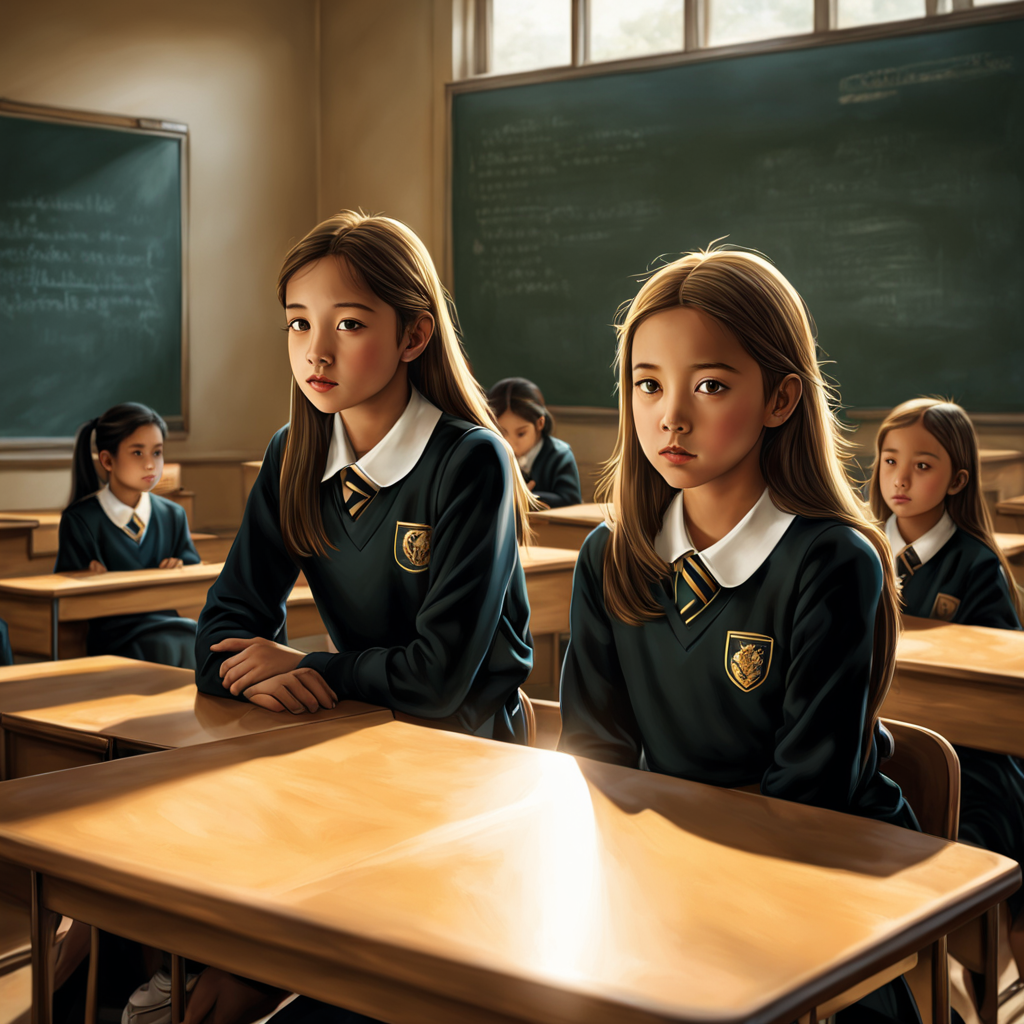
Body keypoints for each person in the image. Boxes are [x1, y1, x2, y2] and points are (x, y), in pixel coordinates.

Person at [180, 211, 535, 1024]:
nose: (317, 352)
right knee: (118, 921)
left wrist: (309, 667)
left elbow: (441, 680)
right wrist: (268, 676)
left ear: (414, 336)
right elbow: (221, 634)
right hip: (349, 742)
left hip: (468, 769)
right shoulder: (293, 453)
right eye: (299, 324)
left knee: (237, 971)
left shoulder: (468, 459)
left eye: (349, 324)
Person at [558, 248, 919, 1023]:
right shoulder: (611, 555)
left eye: (711, 385)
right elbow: (594, 763)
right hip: (666, 884)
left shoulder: (833, 562)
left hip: (819, 895)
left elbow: (804, 803)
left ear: (782, 398)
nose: (670, 416)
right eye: (647, 384)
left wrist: (665, 851)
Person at [869, 396, 1024, 987]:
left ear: (957, 479)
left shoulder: (977, 564)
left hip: (974, 762)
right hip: (882, 746)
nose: (900, 479)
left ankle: (965, 970)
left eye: (923, 465)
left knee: (965, 833)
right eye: (889, 461)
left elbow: (997, 678)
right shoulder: (858, 548)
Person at [55, 403, 199, 667]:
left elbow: (192, 571)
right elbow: (66, 589)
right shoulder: (81, 519)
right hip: (116, 635)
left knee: (197, 638)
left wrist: (180, 566)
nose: (150, 465)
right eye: (137, 453)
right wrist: (84, 576)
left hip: (171, 623)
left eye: (157, 453)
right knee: (168, 647)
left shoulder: (172, 514)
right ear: (108, 460)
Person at [487, 376, 582, 508]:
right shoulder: (490, 454)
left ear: (540, 423)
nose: (509, 443)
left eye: (521, 434)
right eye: (502, 433)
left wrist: (526, 496)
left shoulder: (559, 454)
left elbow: (570, 500)